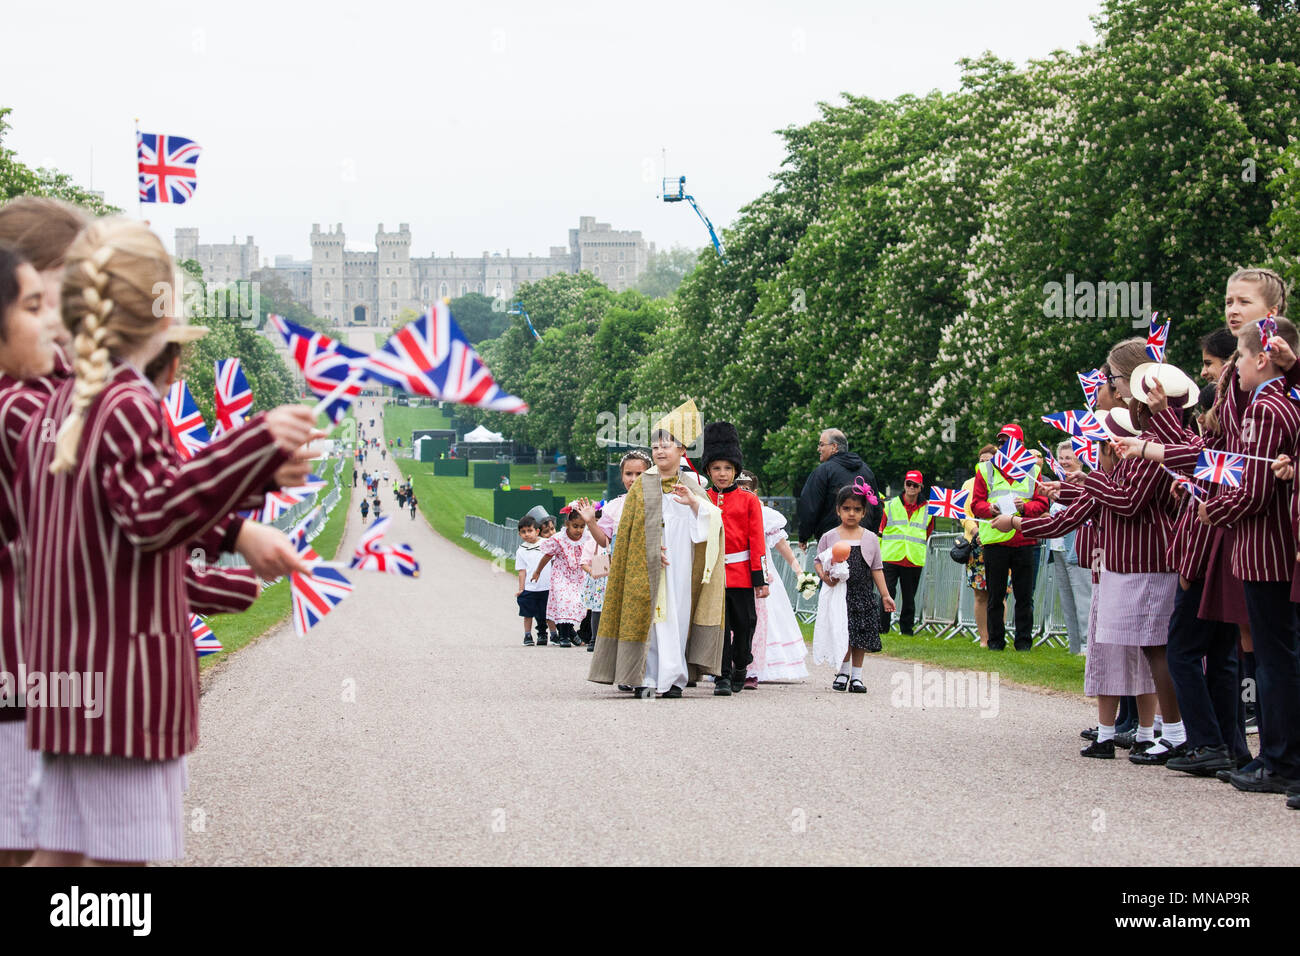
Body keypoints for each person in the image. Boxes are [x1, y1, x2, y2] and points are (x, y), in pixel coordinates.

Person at [15, 218, 316, 866]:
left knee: (60, 857)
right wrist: (257, 443)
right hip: (124, 688)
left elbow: (112, 529)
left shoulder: (61, 408)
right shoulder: (123, 404)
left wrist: (249, 475)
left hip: (68, 682)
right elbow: (153, 514)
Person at [588, 400, 725, 699]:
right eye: (655, 446)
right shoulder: (642, 485)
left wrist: (692, 503)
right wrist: (648, 552)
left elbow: (713, 522)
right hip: (647, 564)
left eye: (667, 445)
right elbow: (628, 532)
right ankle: (647, 677)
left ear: (681, 451)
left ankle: (674, 677)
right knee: (648, 619)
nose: (660, 451)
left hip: (681, 563)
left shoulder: (690, 485)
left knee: (676, 616)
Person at [969, 423, 1049, 650]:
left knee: (1024, 596)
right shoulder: (985, 469)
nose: (1004, 446)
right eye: (1001, 442)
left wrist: (1024, 508)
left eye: (1009, 441)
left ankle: (1023, 643)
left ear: (1021, 445)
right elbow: (976, 504)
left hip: (1025, 539)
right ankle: (995, 642)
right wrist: (991, 509)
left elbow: (1043, 503)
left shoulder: (1033, 470)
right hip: (996, 539)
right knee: (995, 595)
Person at [702, 421, 768, 696]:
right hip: (712, 574)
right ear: (708, 470)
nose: (722, 474)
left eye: (728, 468)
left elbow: (757, 540)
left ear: (736, 470)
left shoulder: (748, 500)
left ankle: (741, 663)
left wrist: (759, 578)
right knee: (719, 627)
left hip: (741, 573)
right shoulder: (702, 498)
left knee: (744, 626)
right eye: (716, 468)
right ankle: (722, 676)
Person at [814, 484, 896, 694]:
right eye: (847, 508)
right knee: (844, 633)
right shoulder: (829, 536)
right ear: (838, 510)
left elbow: (876, 568)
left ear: (864, 512)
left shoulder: (870, 538)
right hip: (840, 594)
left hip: (862, 594)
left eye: (857, 509)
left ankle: (857, 676)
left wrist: (885, 595)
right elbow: (818, 560)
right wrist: (824, 576)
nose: (851, 513)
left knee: (860, 635)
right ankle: (842, 672)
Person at [736, 471, 808, 684]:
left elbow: (782, 546)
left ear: (754, 491)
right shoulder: (728, 510)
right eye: (737, 487)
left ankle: (765, 665)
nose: (741, 492)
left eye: (746, 488)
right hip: (736, 571)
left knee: (767, 618)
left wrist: (798, 571)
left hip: (763, 572)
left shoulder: (765, 515)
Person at [583, 450, 651, 660]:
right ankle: (625, 667)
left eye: (640, 474)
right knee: (625, 619)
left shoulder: (658, 501)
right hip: (623, 571)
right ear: (621, 476)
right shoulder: (615, 506)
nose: (633, 479)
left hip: (650, 568)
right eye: (629, 474)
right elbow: (604, 540)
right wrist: (591, 522)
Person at [796, 428, 881, 549]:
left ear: (834, 447)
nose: (818, 449)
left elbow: (809, 507)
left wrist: (803, 536)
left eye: (821, 444)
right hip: (862, 542)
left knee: (832, 569)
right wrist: (871, 534)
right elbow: (876, 506)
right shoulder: (866, 471)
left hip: (832, 543)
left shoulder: (823, 471)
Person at [1048, 441, 1093, 655]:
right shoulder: (1058, 482)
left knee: (1083, 596)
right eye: (1062, 457)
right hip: (1058, 547)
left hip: (1077, 547)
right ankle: (1074, 646)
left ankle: (1087, 643)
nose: (1065, 462)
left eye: (1069, 457)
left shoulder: (1086, 484)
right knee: (1066, 600)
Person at [879, 469, 933, 635]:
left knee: (909, 597)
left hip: (913, 557)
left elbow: (928, 532)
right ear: (904, 484)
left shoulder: (928, 509)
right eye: (908, 484)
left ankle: (907, 629)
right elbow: (881, 529)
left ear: (920, 487)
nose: (911, 487)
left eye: (915, 485)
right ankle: (882, 627)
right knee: (887, 593)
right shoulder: (890, 504)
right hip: (890, 556)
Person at [533, 506, 589, 648]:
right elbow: (548, 555)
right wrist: (538, 571)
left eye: (582, 526)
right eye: (575, 526)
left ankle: (571, 632)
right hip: (561, 575)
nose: (579, 530)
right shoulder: (559, 539)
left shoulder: (586, 538)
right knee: (563, 602)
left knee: (574, 602)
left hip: (577, 576)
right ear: (567, 524)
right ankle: (564, 636)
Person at [961, 446, 997, 646]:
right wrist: (977, 533)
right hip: (976, 544)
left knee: (998, 593)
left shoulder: (1000, 482)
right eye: (981, 460)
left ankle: (996, 635)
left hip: (999, 541)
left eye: (988, 460)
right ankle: (984, 638)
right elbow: (964, 513)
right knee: (980, 593)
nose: (984, 464)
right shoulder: (969, 484)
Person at [515, 516, 549, 646]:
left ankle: (548, 634)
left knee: (545, 613)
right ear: (519, 534)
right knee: (527, 613)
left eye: (530, 530)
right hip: (530, 587)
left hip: (546, 585)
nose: (527, 534)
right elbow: (522, 571)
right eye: (523, 532)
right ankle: (527, 635)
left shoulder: (545, 545)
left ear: (537, 531)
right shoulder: (521, 550)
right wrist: (521, 588)